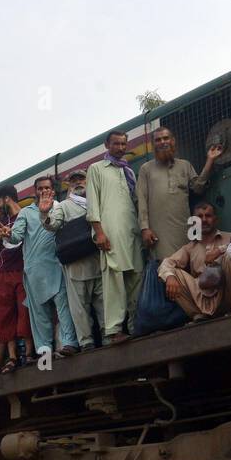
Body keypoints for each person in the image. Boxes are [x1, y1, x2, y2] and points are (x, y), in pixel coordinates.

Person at [7, 175, 79, 357]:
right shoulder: (26, 213)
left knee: (64, 309)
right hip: (34, 272)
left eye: (47, 188)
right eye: (40, 189)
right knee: (40, 317)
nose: (43, 191)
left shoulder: (60, 208)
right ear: (35, 192)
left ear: (53, 191)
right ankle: (44, 353)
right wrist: (8, 234)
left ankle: (69, 344)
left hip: (57, 267)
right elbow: (16, 236)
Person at [85, 131, 144, 343]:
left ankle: (135, 325)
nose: (120, 147)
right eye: (116, 144)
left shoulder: (127, 170)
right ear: (107, 145)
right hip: (110, 233)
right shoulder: (96, 169)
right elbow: (92, 205)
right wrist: (99, 232)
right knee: (114, 280)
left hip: (131, 232)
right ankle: (113, 330)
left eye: (123, 144)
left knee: (136, 277)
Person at [41, 168, 104, 350]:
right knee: (79, 309)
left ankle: (108, 338)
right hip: (76, 265)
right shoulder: (63, 206)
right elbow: (53, 225)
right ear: (69, 184)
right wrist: (45, 214)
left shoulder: (96, 200)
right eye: (74, 180)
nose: (78, 182)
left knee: (104, 305)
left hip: (98, 260)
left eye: (81, 179)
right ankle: (86, 343)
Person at [137, 127, 222, 260]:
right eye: (158, 140)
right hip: (160, 232)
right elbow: (141, 199)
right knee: (167, 266)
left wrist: (210, 160)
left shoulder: (185, 165)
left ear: (173, 141)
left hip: (185, 228)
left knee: (189, 261)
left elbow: (198, 188)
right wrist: (144, 228)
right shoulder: (146, 169)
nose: (163, 142)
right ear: (153, 145)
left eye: (166, 138)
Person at [158, 202, 231, 320]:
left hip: (228, 294)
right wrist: (170, 277)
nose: (204, 220)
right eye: (199, 217)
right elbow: (167, 263)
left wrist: (220, 250)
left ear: (215, 219)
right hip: (202, 299)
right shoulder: (190, 248)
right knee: (172, 273)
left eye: (208, 216)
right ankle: (197, 315)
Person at [0, 186, 33, 372]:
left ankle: (29, 353)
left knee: (25, 311)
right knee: (5, 315)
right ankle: (13, 357)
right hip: (1, 272)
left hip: (22, 269)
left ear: (7, 199)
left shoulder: (26, 216)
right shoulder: (1, 221)